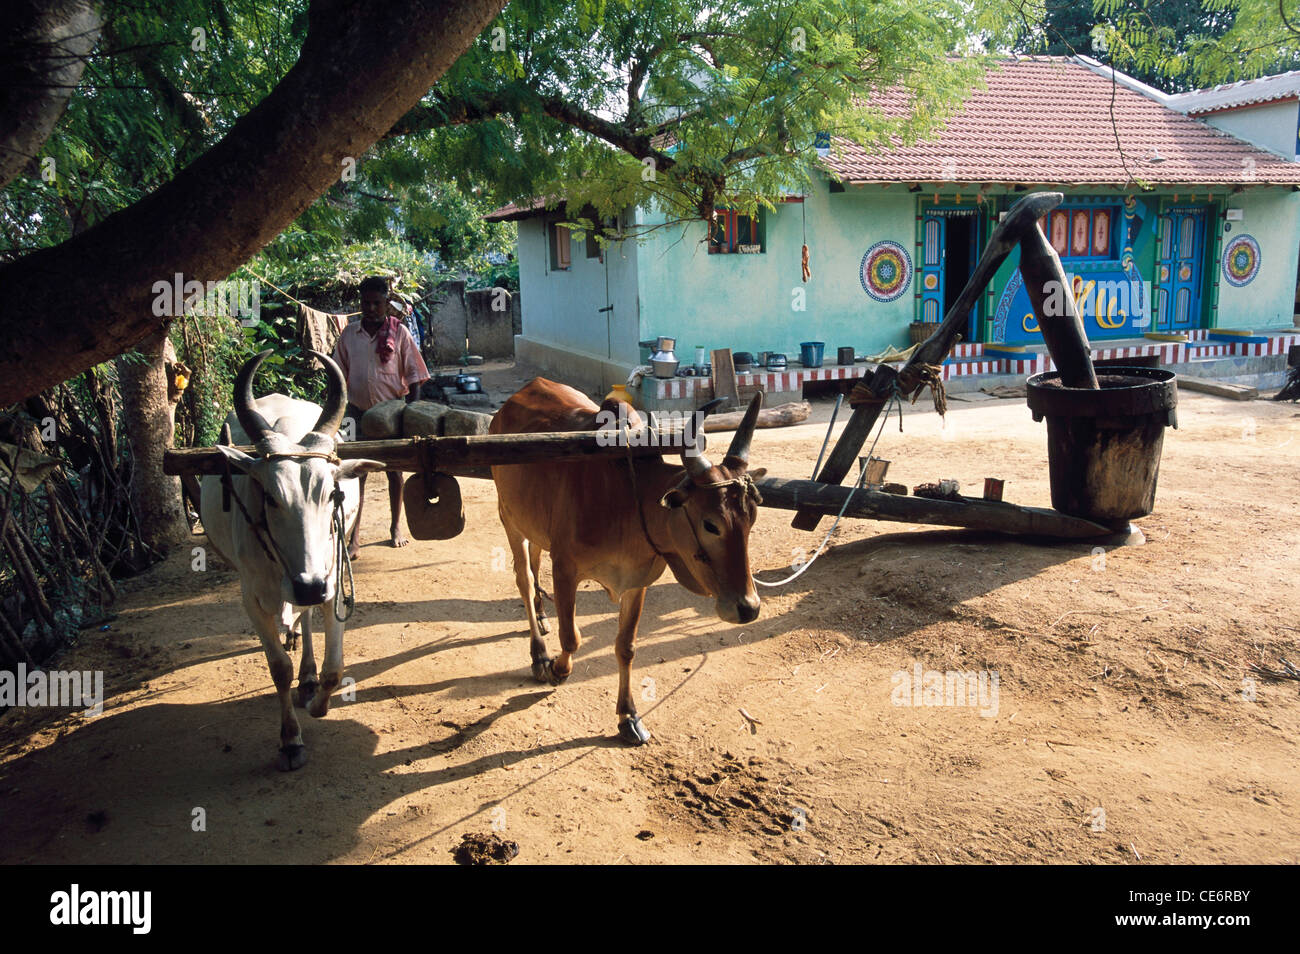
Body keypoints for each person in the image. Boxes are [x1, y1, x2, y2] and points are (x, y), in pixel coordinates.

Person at [332, 275, 430, 556]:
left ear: (387, 303)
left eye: (377, 303)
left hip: (391, 412)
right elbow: (338, 375)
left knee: (394, 473)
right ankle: (355, 537)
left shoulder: (399, 333)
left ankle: (395, 526)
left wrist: (412, 413)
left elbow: (414, 377)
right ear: (361, 303)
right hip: (357, 412)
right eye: (367, 303)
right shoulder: (349, 335)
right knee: (354, 474)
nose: (372, 308)